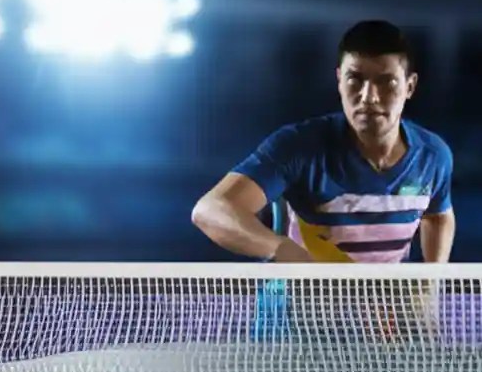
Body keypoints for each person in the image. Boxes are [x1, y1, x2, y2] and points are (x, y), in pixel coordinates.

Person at [192, 19, 456, 265]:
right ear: (339, 80)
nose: (368, 97)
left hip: (379, 314)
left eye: (386, 82)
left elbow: (438, 216)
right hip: (295, 312)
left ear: (409, 87)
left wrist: (430, 281)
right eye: (355, 80)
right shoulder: (298, 146)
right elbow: (211, 210)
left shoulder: (433, 156)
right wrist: (286, 252)